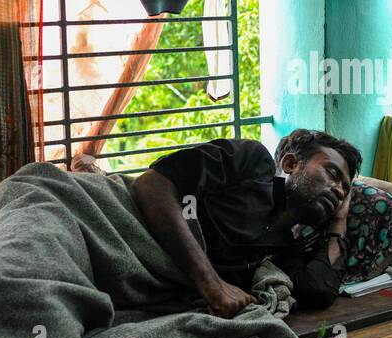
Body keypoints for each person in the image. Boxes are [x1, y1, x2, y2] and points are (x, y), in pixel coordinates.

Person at [131, 129, 361, 317]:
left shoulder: (285, 245)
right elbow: (152, 184)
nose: (339, 190)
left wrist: (339, 222)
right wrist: (211, 283)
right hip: (120, 221)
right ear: (291, 164)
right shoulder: (253, 163)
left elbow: (317, 290)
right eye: (332, 173)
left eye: (346, 189)